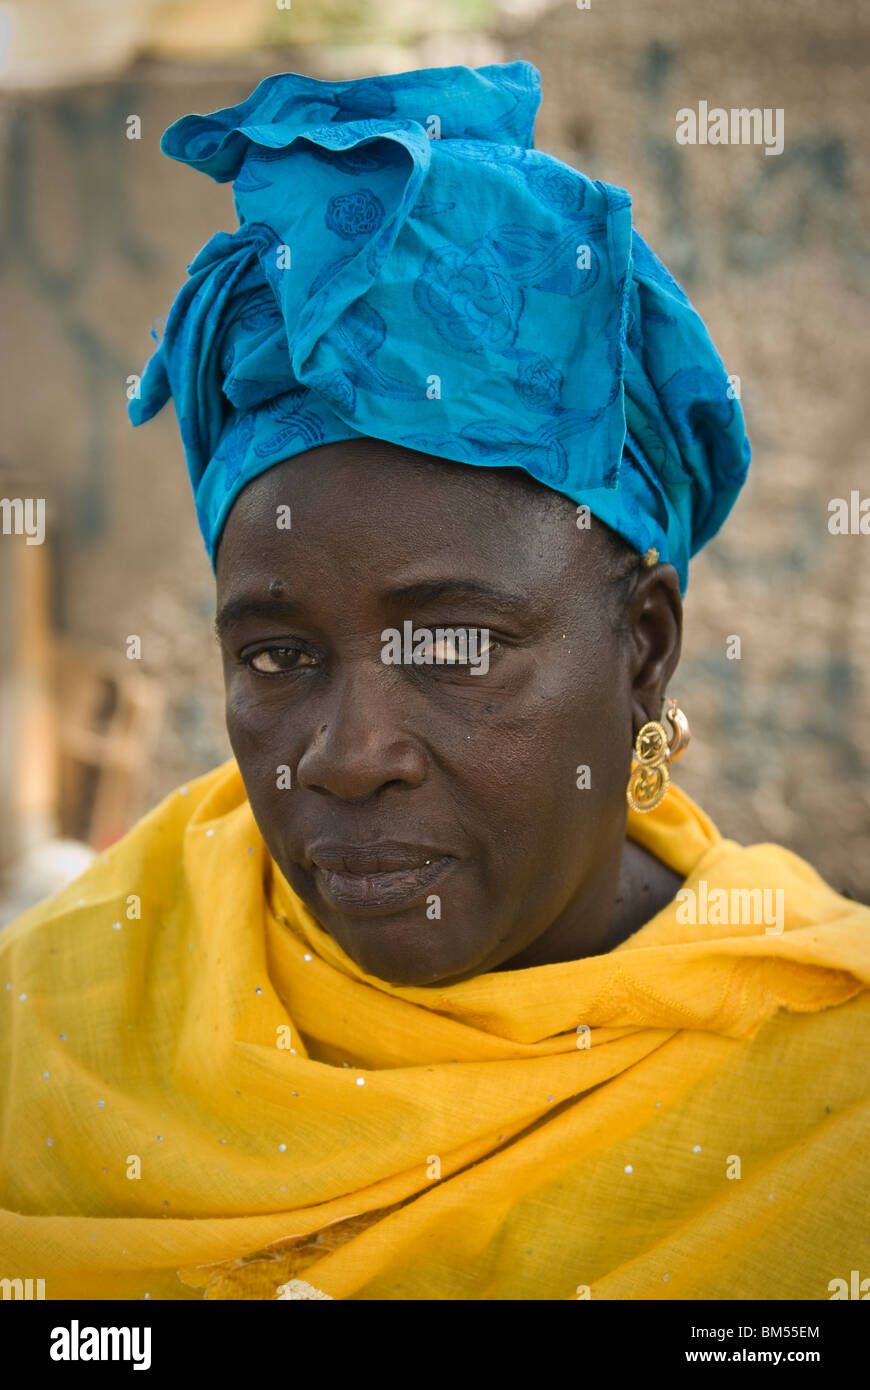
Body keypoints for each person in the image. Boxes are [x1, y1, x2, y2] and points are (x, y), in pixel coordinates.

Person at [1, 61, 867, 1302]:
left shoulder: (827, 1100)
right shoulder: (69, 1011)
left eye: (453, 646)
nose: (348, 756)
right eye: (277, 655)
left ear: (643, 649)